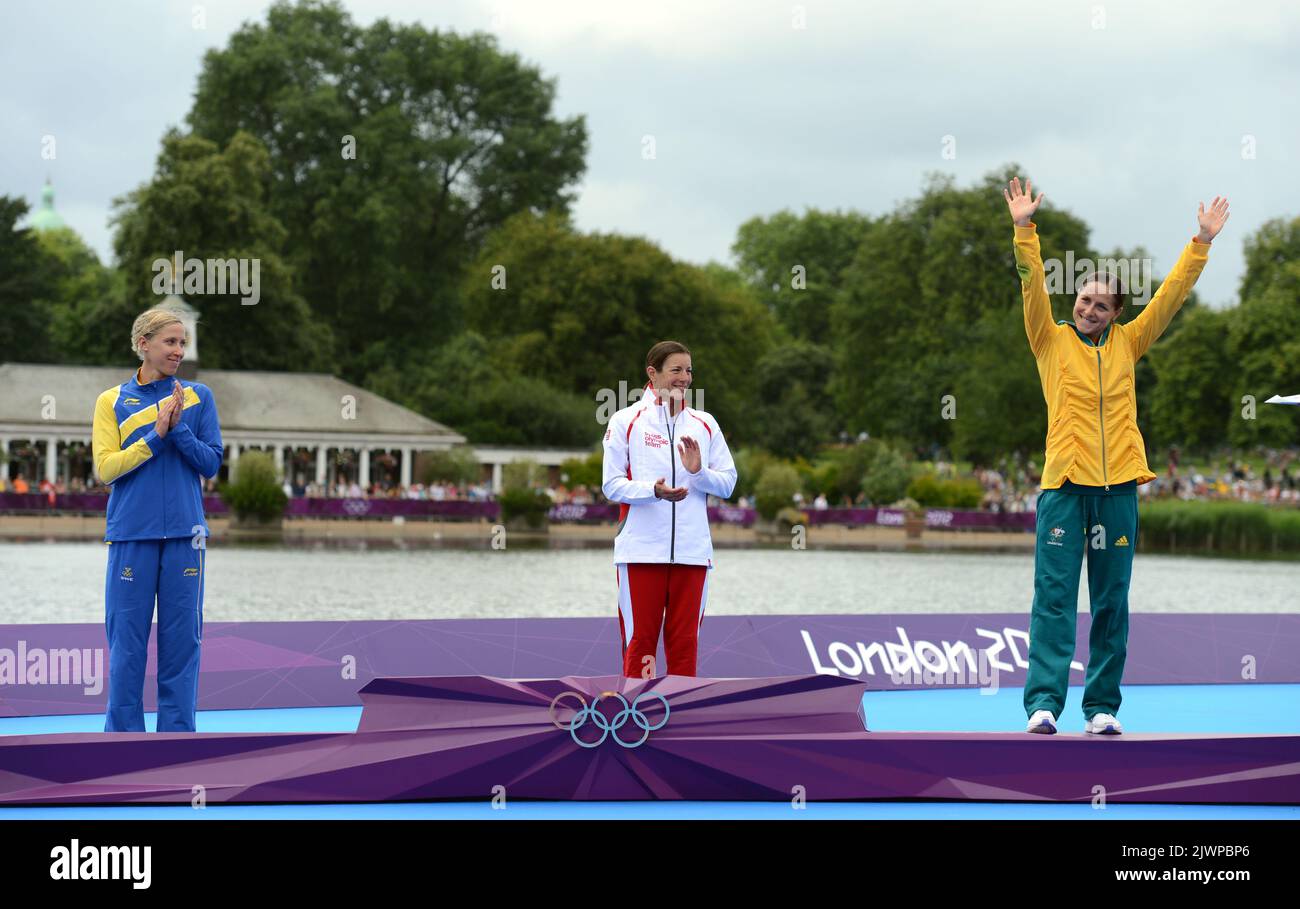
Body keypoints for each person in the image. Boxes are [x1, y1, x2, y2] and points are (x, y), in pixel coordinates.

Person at [1005, 177, 1229, 735]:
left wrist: (1200, 241)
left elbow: (1172, 295)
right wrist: (1024, 230)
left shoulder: (1131, 342)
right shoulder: (1049, 339)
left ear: (1115, 313)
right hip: (1063, 488)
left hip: (1118, 490)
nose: (1088, 309)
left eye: (1101, 305)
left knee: (1111, 603)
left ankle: (1101, 707)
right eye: (1083, 300)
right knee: (1054, 600)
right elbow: (1032, 288)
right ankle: (1043, 706)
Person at [91, 307, 224, 732]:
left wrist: (179, 428)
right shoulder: (110, 401)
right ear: (143, 344)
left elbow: (210, 465)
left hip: (187, 537)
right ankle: (122, 742)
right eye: (170, 342)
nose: (178, 351)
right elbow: (107, 469)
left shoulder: (198, 397)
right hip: (131, 534)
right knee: (127, 647)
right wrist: (156, 436)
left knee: (182, 645)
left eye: (182, 342)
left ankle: (178, 741)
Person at [601, 341, 737, 678]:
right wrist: (653, 491)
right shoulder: (625, 420)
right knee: (641, 641)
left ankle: (681, 722)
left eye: (689, 370)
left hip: (692, 555)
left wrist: (698, 473)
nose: (685, 378)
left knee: (685, 642)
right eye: (676, 369)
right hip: (641, 552)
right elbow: (611, 485)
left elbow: (728, 484)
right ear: (653, 373)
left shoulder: (704, 424)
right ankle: (636, 720)